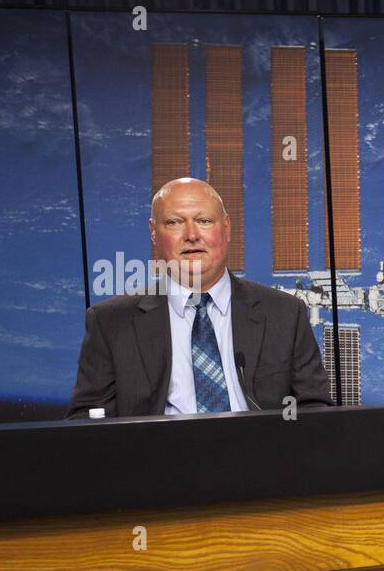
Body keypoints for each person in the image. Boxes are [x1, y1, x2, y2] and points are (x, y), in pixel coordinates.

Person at [67, 177, 333, 417]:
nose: (192, 235)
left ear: (226, 228)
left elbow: (314, 409)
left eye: (204, 221)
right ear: (153, 233)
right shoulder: (112, 322)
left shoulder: (284, 313)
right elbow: (87, 423)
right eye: (174, 222)